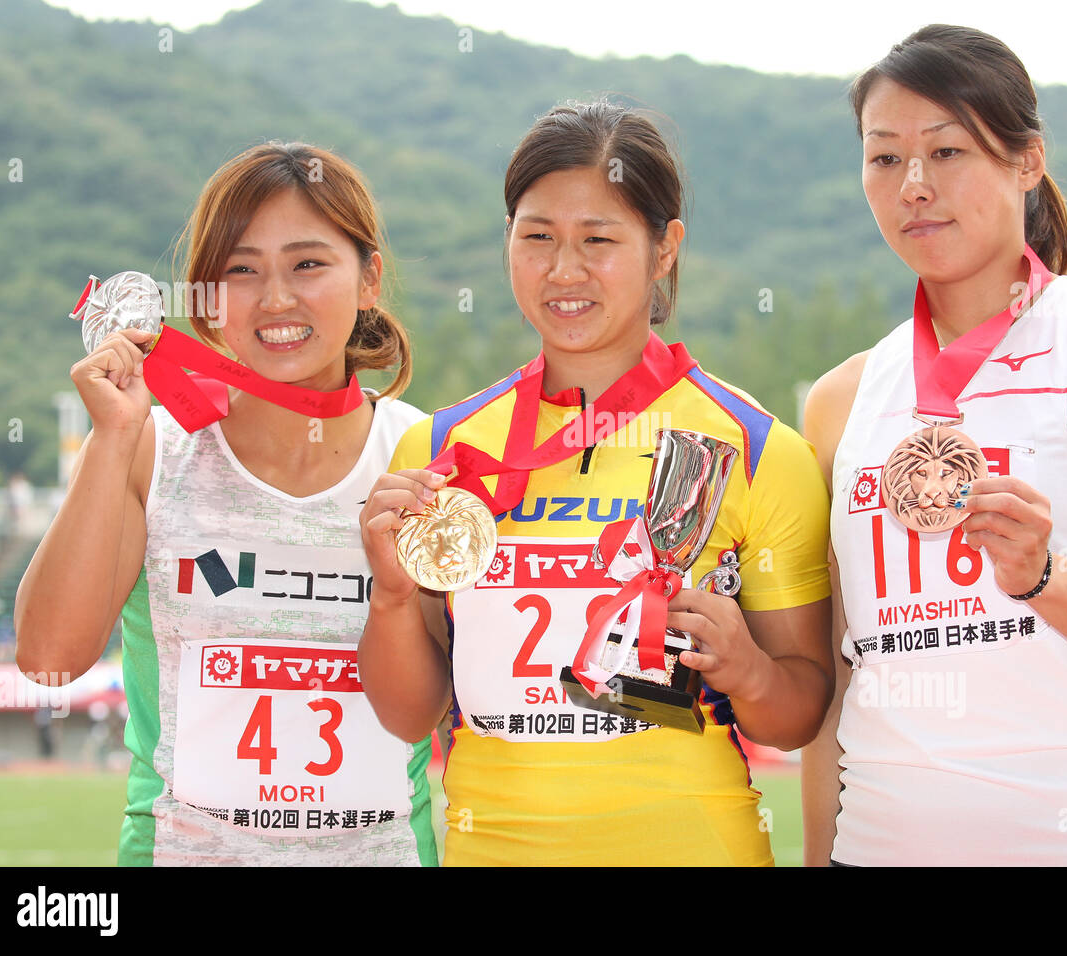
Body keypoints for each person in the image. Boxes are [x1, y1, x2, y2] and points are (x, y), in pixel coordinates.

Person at [800, 24, 1067, 866]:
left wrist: (1047, 576)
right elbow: (840, 685)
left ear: (1027, 161)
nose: (915, 185)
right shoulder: (840, 398)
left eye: (950, 151)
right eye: (884, 158)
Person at [357, 101, 835, 866]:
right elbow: (410, 715)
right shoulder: (441, 449)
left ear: (665, 247)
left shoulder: (755, 449)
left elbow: (798, 714)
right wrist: (388, 595)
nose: (563, 271)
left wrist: (746, 668)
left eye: (599, 240)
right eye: (537, 237)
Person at [15, 142, 436, 866]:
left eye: (308, 263)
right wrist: (113, 437)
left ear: (369, 279)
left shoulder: (424, 457)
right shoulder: (154, 447)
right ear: (205, 298)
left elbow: (439, 704)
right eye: (241, 270)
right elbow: (49, 657)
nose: (275, 299)